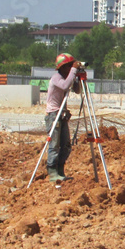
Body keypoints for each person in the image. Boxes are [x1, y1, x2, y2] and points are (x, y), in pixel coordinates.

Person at [45, 53, 82, 182]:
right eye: (68, 67)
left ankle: (60, 169)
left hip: (62, 114)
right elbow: (65, 86)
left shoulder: (68, 77)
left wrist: (77, 77)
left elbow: (77, 90)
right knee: (54, 144)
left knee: (66, 145)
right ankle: (52, 171)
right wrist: (73, 70)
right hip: (53, 114)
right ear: (62, 67)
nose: (70, 69)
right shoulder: (56, 78)